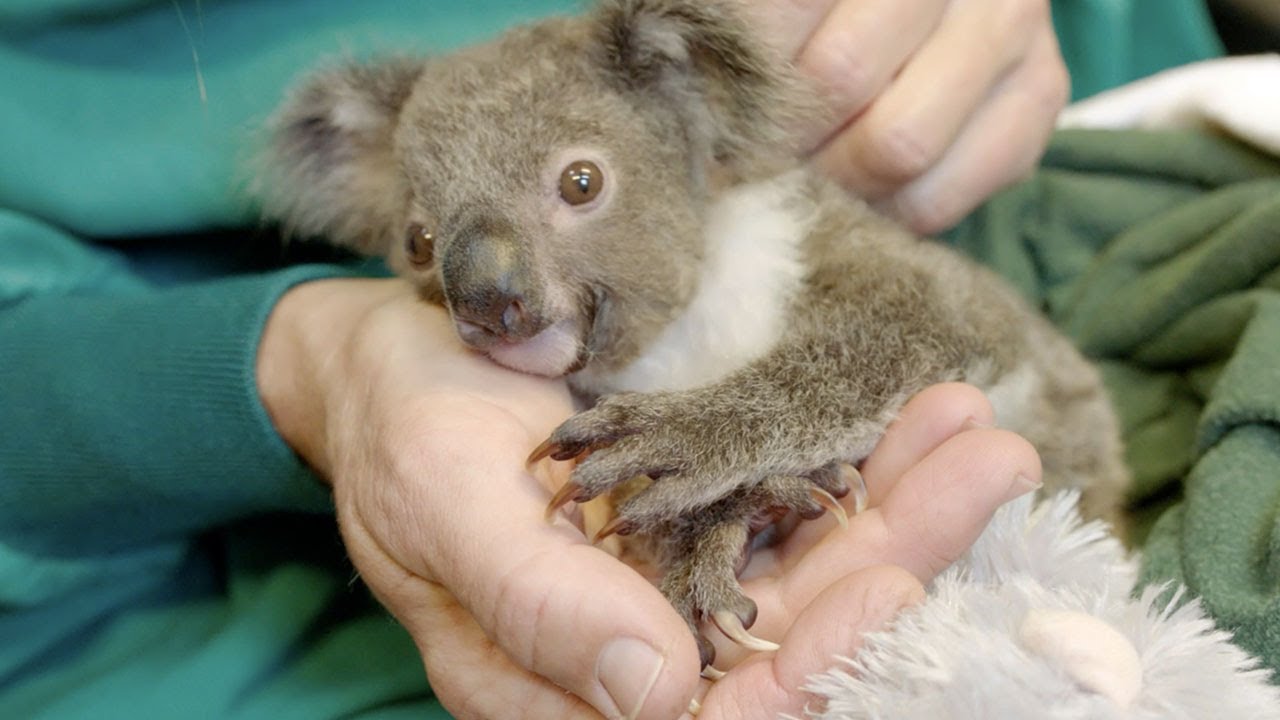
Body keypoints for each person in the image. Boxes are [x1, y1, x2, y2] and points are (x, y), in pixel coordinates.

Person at [0, 1, 1223, 718]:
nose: (479, 291)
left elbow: (933, 336)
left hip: (1107, 227)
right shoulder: (548, 385)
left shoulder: (773, 224)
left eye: (575, 185)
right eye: (429, 245)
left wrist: (714, 437)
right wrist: (305, 361)